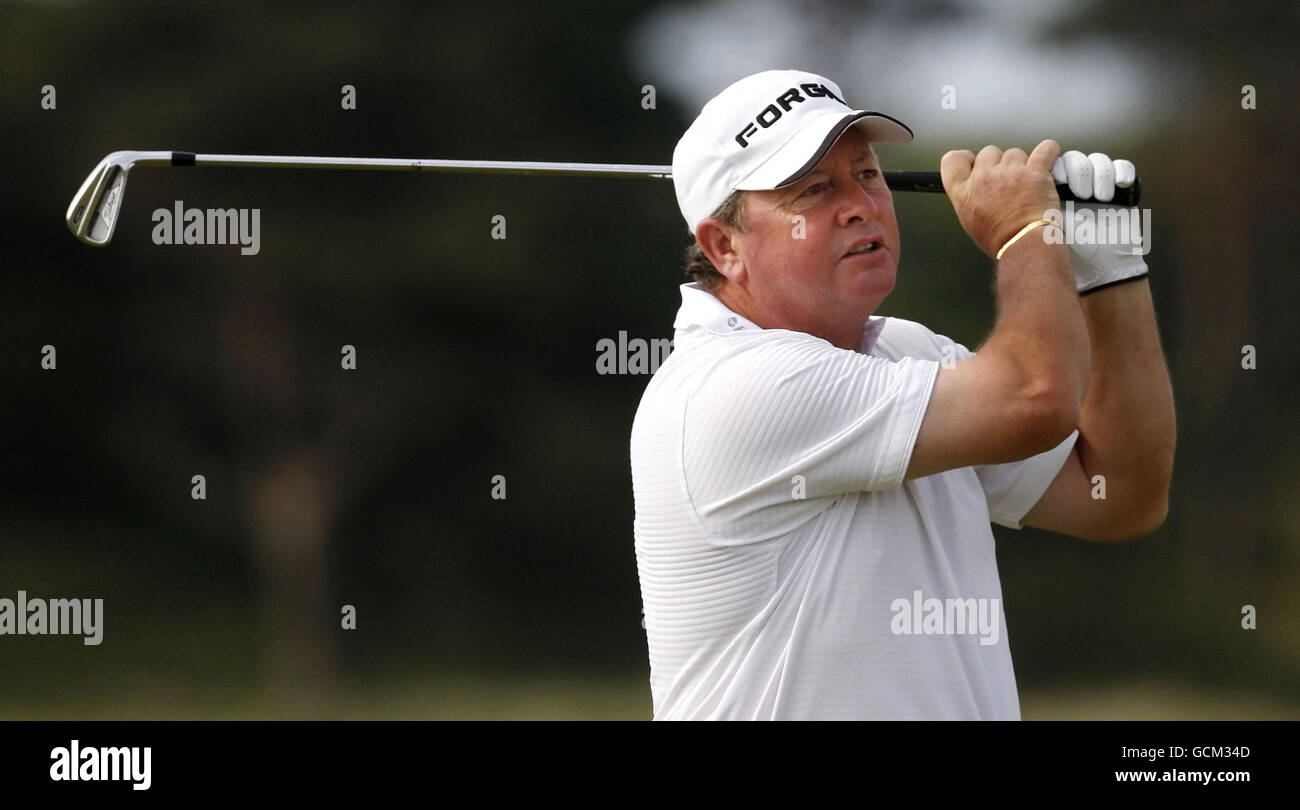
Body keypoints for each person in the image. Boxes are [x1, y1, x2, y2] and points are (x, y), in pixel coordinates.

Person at [629, 69, 1175, 720]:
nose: (860, 203)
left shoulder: (909, 353)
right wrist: (1027, 235)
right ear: (724, 246)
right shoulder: (733, 385)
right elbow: (1036, 396)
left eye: (865, 174)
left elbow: (1118, 496)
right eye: (813, 190)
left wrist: (1112, 272)